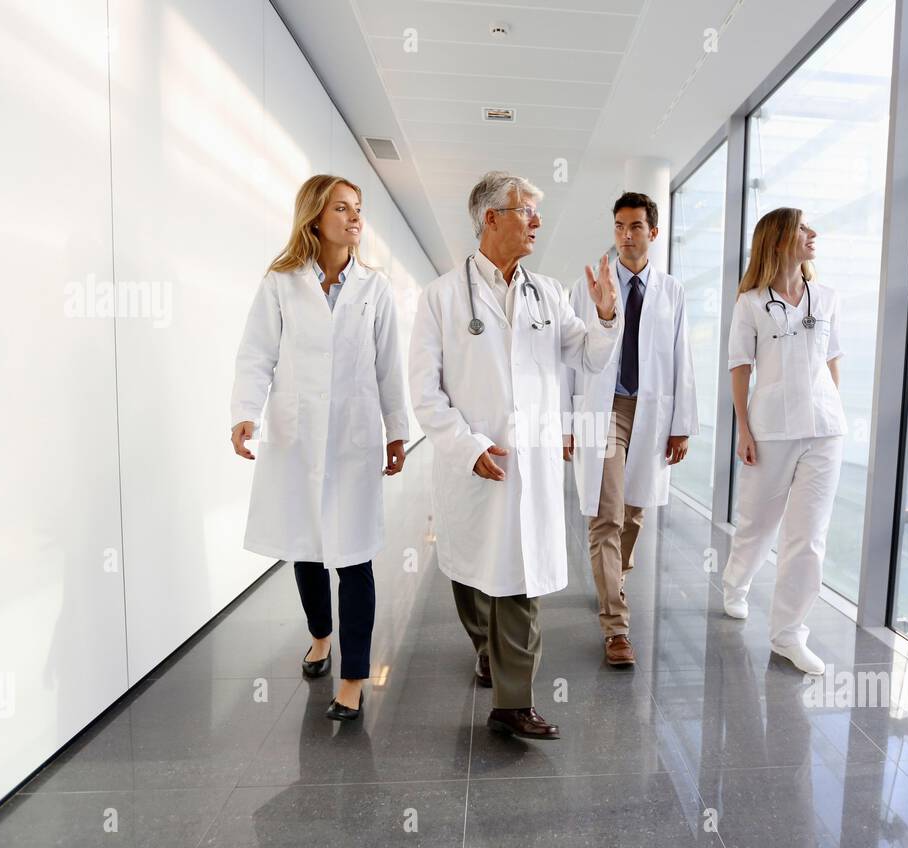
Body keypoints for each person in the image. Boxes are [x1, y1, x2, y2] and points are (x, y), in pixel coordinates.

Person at [409, 170, 621, 740]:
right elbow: (425, 393)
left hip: (529, 463)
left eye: (535, 212)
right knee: (472, 572)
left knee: (517, 580)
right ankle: (486, 647)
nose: (536, 221)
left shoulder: (547, 293)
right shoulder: (442, 297)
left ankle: (512, 701)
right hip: (473, 462)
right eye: (525, 210)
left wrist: (604, 316)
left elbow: (591, 358)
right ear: (491, 218)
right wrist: (468, 445)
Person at [230, 174, 409, 720]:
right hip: (296, 437)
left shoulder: (374, 289)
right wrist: (245, 413)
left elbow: (387, 367)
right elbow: (257, 353)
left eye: (359, 209)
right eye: (342, 208)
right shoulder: (282, 283)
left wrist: (396, 429)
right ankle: (320, 635)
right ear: (314, 216)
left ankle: (353, 677)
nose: (355, 218)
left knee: (353, 556)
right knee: (306, 548)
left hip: (353, 441)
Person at [562, 192, 698, 666]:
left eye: (636, 226)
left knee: (634, 512)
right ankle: (615, 628)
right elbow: (568, 356)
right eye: (619, 225)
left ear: (653, 233)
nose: (626, 234)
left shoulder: (672, 290)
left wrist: (681, 425)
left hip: (652, 408)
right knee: (607, 515)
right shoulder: (588, 285)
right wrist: (564, 424)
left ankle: (614, 572)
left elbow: (682, 357)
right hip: (605, 408)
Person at [720, 207, 846, 676]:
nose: (812, 234)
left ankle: (788, 633)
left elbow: (832, 360)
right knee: (758, 521)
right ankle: (736, 582)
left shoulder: (827, 297)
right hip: (770, 428)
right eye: (802, 229)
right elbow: (740, 366)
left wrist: (834, 408)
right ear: (777, 241)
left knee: (808, 536)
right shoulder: (751, 303)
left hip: (824, 429)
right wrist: (743, 430)